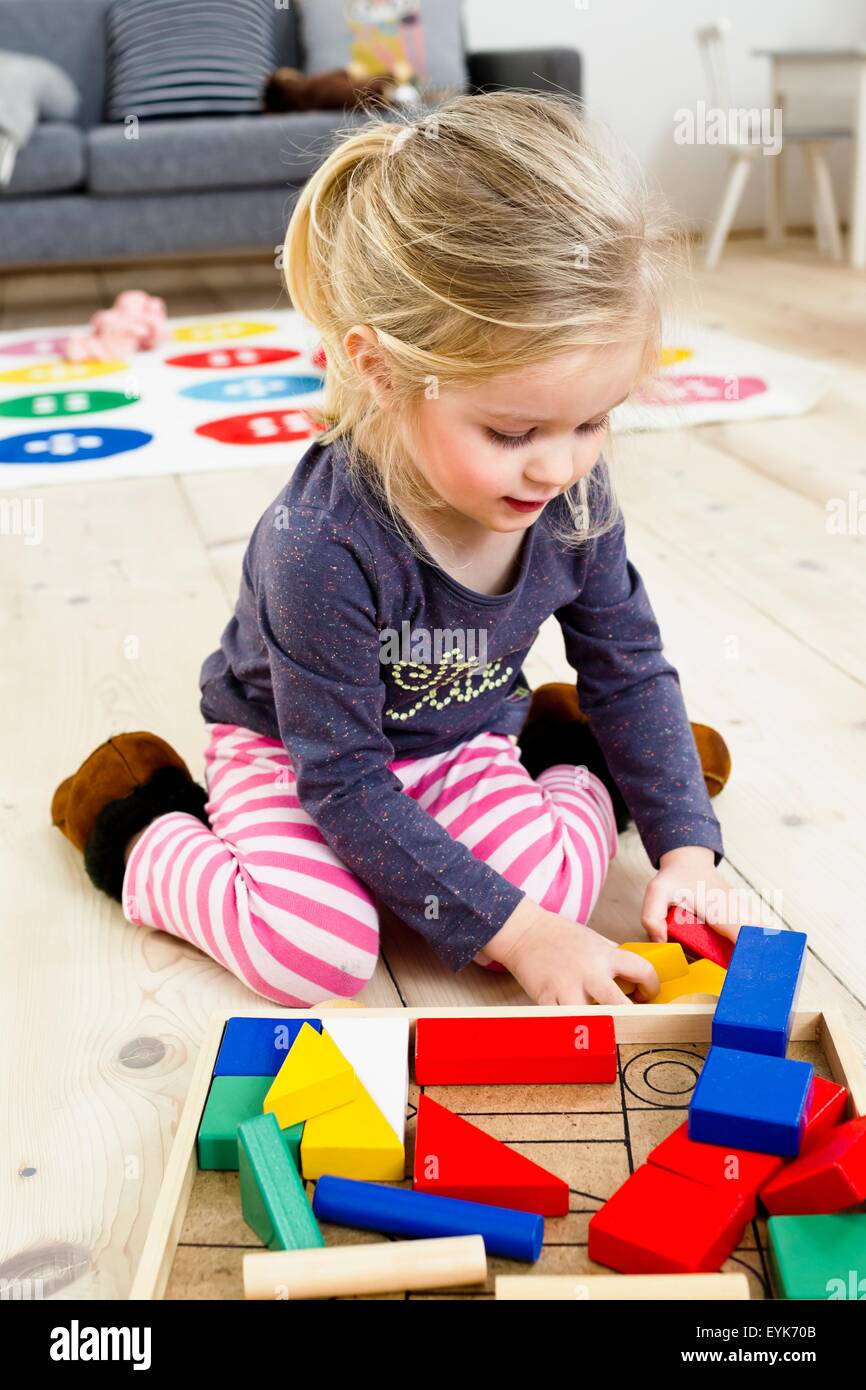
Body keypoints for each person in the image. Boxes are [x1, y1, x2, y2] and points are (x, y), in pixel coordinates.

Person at [52, 91, 736, 1008]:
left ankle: (573, 751)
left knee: (553, 895)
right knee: (316, 955)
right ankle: (136, 822)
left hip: (460, 736)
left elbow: (631, 666)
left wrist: (687, 851)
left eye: (592, 422)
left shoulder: (573, 492)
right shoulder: (319, 547)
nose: (557, 467)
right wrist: (522, 934)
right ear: (378, 368)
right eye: (512, 429)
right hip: (297, 752)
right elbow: (341, 780)